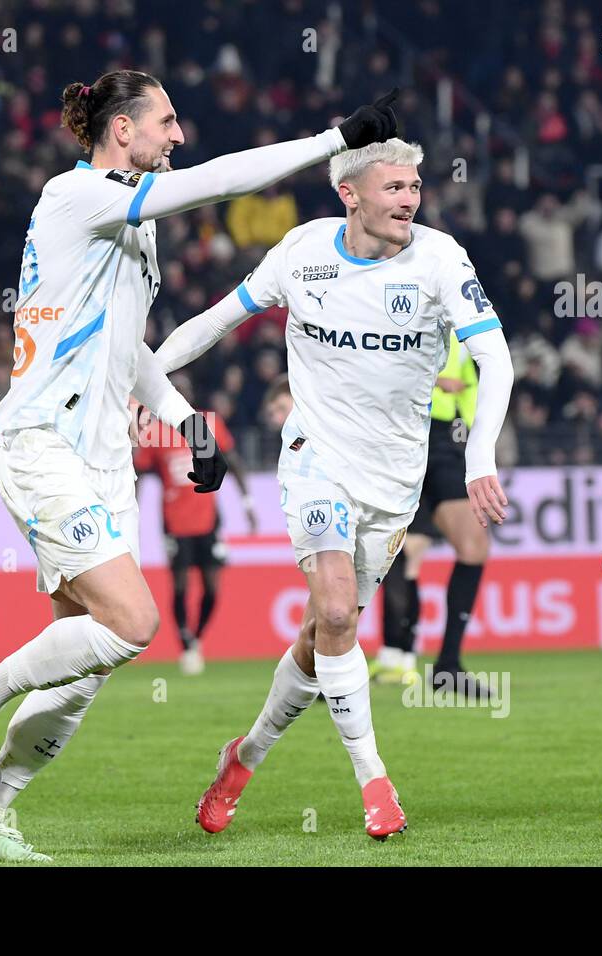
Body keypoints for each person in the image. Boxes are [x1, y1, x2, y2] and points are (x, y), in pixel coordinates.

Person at [0, 68, 401, 862]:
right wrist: (333, 140)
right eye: (167, 122)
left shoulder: (133, 230)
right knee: (136, 623)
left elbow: (130, 350)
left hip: (106, 457)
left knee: (86, 661)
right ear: (123, 131)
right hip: (44, 440)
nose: (178, 136)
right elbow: (217, 185)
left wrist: (185, 421)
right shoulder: (73, 196)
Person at [156, 138, 514, 839]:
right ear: (350, 194)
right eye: (394, 188)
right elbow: (216, 321)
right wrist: (138, 377)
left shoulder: (441, 259)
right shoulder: (301, 252)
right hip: (314, 457)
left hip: (395, 478)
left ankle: (245, 754)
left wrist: (480, 453)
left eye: (415, 186)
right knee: (339, 617)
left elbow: (493, 358)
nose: (410, 199)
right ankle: (375, 783)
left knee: (327, 629)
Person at [371, 330, 494, 697]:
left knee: (473, 547)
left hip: (447, 443)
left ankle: (447, 665)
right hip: (402, 437)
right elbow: (377, 367)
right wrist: (436, 380)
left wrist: (475, 438)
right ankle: (390, 654)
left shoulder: (466, 329)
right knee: (400, 555)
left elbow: (476, 383)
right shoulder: (402, 311)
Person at [133, 373, 257, 675]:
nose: (180, 395)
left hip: (209, 522)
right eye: (175, 390)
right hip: (175, 524)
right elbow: (139, 473)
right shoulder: (157, 432)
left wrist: (247, 504)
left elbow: (233, 461)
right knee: (179, 587)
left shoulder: (203, 426)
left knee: (212, 589)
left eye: (184, 390)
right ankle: (186, 643)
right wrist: (129, 511)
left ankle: (197, 636)